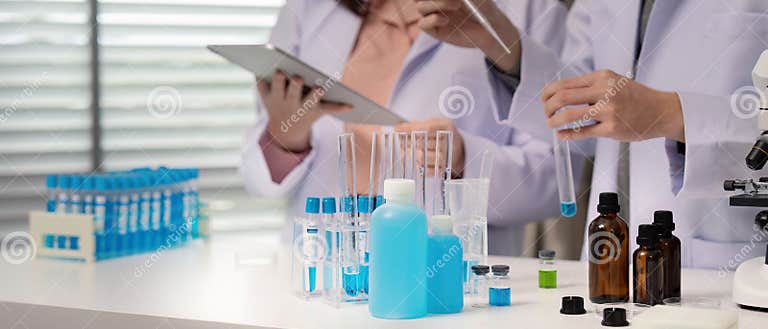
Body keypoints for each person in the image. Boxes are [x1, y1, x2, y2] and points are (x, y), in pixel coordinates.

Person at [417, 0, 768, 268]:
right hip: (611, 259)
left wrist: (668, 114)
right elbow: (577, 111)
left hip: (728, 261)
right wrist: (498, 42)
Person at [241, 0, 570, 255]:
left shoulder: (526, 10)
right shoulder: (309, 9)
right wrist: (286, 137)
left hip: (446, 279)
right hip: (321, 269)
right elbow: (257, 177)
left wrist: (464, 161)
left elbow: (557, 181)